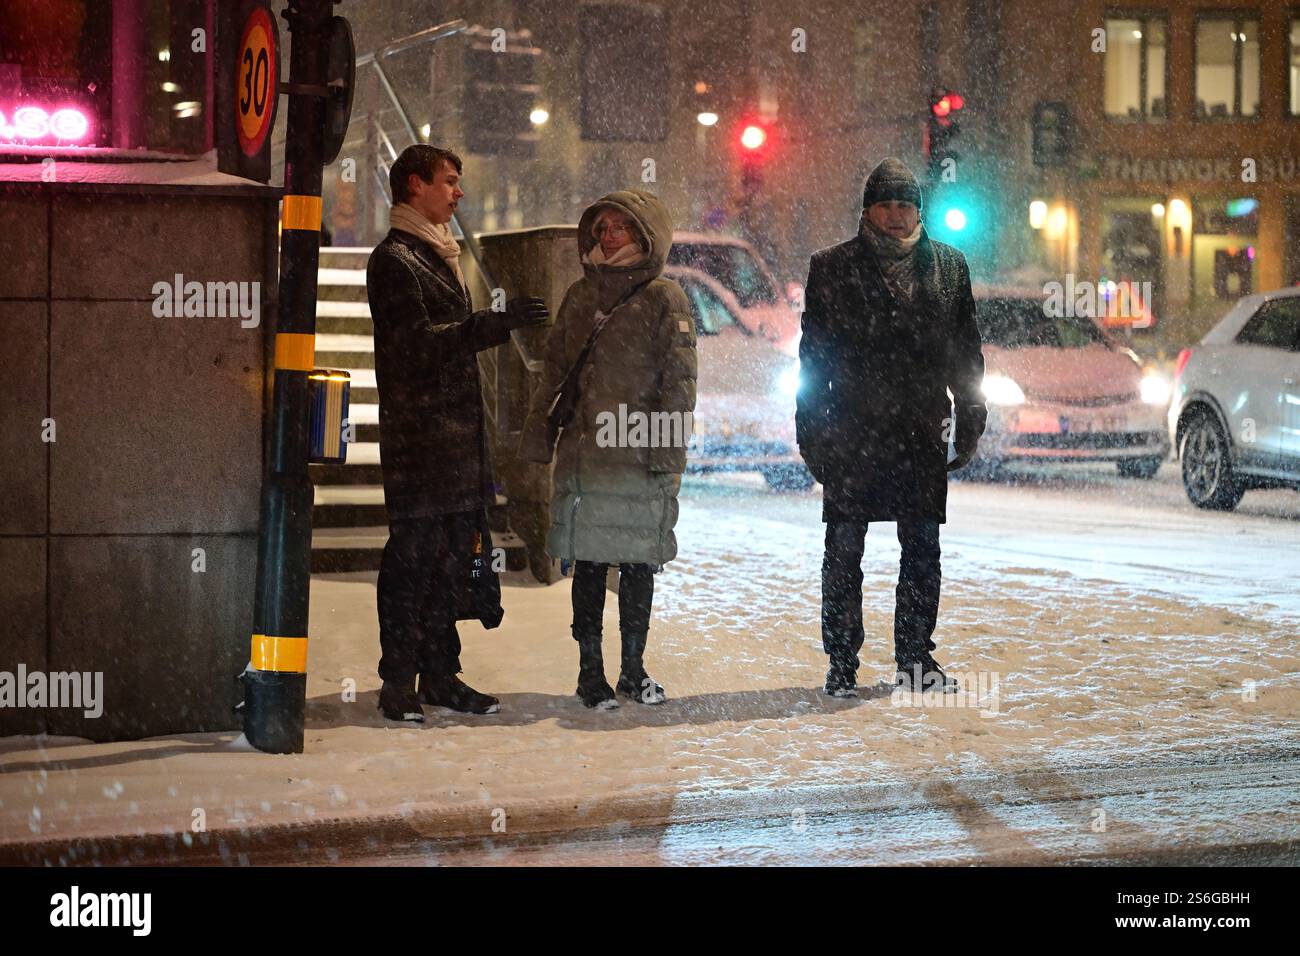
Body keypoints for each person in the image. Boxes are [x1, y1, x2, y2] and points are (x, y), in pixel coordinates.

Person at [366, 144, 549, 722]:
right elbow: (417, 344)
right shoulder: (395, 259)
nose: (459, 193)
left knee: (450, 559)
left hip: (452, 441)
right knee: (413, 561)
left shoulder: (435, 253)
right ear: (414, 184)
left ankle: (441, 676)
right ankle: (398, 682)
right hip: (420, 442)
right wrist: (492, 326)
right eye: (449, 182)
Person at [796, 158, 987, 697]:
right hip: (853, 431)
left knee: (923, 548)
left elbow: (966, 355)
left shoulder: (949, 268)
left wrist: (970, 417)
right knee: (844, 549)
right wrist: (811, 432)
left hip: (919, 430)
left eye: (906, 205)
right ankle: (842, 661)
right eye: (886, 205)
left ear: (918, 211)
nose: (897, 216)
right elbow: (815, 359)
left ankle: (916, 659)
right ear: (868, 210)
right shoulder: (832, 267)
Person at [518, 190, 697, 709]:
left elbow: (679, 386)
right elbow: (554, 371)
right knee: (591, 565)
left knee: (640, 566)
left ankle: (634, 669)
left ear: (644, 234)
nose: (608, 235)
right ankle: (590, 671)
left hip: (639, 456)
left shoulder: (666, 298)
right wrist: (538, 435)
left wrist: (667, 456)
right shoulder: (580, 296)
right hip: (586, 457)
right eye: (602, 227)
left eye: (619, 227)